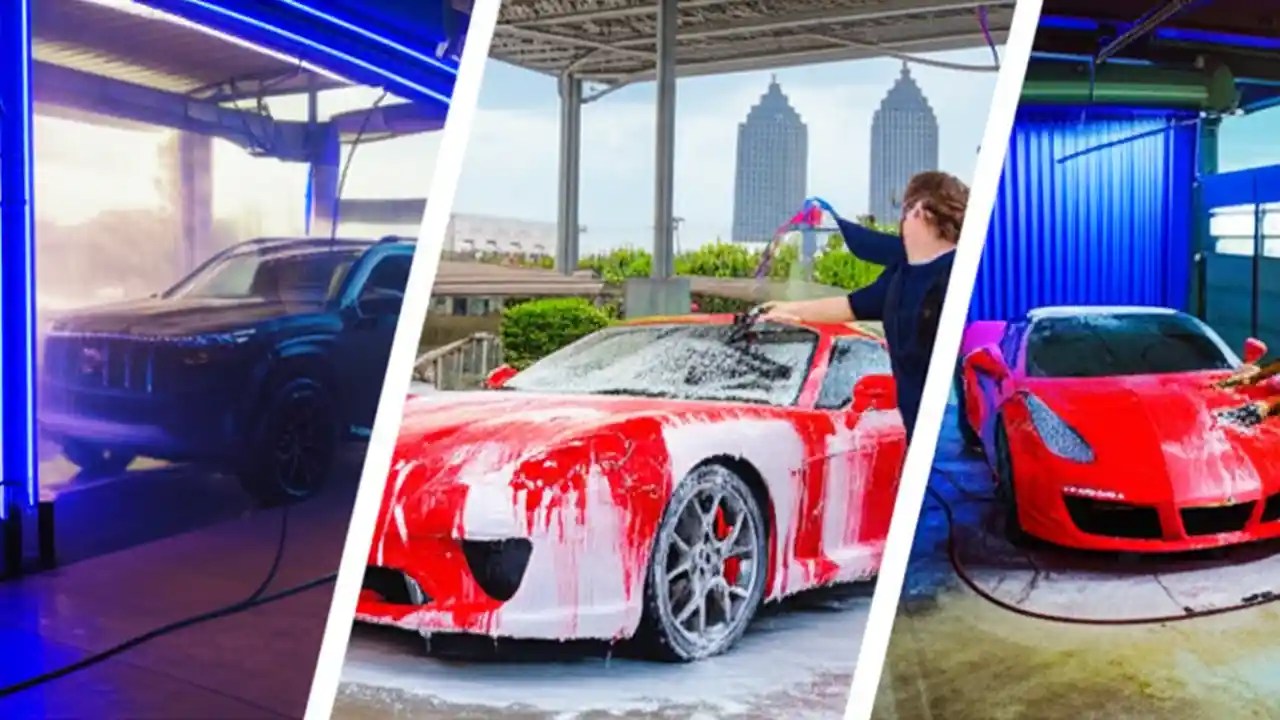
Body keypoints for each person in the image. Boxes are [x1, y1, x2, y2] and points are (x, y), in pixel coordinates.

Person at [760, 171, 970, 440]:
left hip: (949, 434)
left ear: (922, 212)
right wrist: (786, 310)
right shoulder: (899, 276)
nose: (902, 219)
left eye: (906, 209)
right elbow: (850, 305)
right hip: (916, 431)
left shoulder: (958, 274)